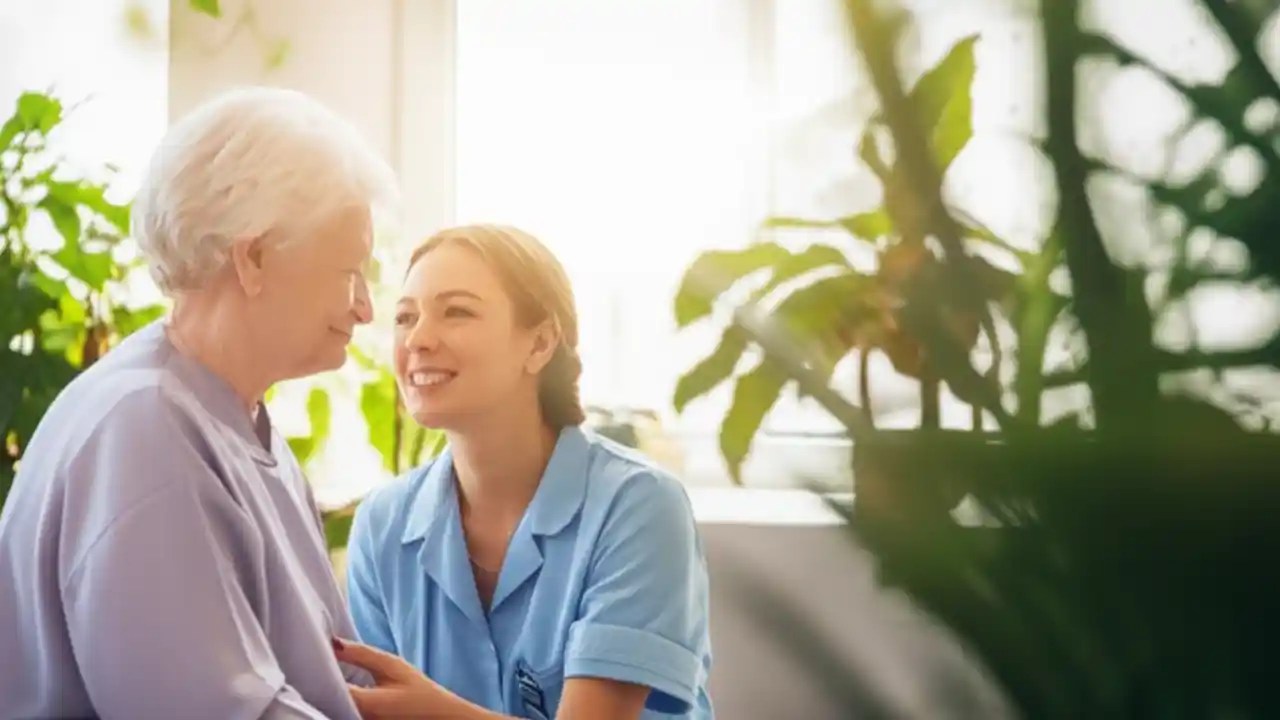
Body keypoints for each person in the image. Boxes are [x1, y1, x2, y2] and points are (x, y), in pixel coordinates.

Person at [0, 86, 396, 719]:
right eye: (349, 270)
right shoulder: (143, 427)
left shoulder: (239, 425)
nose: (364, 307)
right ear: (255, 258)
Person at [337, 224, 714, 719]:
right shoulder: (382, 524)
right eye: (405, 317)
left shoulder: (639, 506)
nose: (419, 339)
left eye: (457, 311)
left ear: (539, 344)